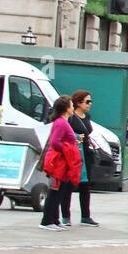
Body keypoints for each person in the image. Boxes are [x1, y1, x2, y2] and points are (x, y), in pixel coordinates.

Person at [39, 96, 82, 232]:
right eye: (71, 105)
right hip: (59, 162)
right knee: (55, 191)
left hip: (63, 163)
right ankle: (47, 221)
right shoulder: (61, 123)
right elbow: (55, 142)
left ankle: (55, 220)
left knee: (60, 191)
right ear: (66, 108)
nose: (73, 107)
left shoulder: (63, 122)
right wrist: (68, 149)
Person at [63, 90, 99, 226]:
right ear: (78, 102)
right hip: (74, 153)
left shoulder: (87, 116)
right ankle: (65, 216)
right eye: (87, 101)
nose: (90, 104)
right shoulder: (71, 118)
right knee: (69, 185)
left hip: (86, 153)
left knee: (85, 185)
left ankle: (86, 216)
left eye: (91, 101)